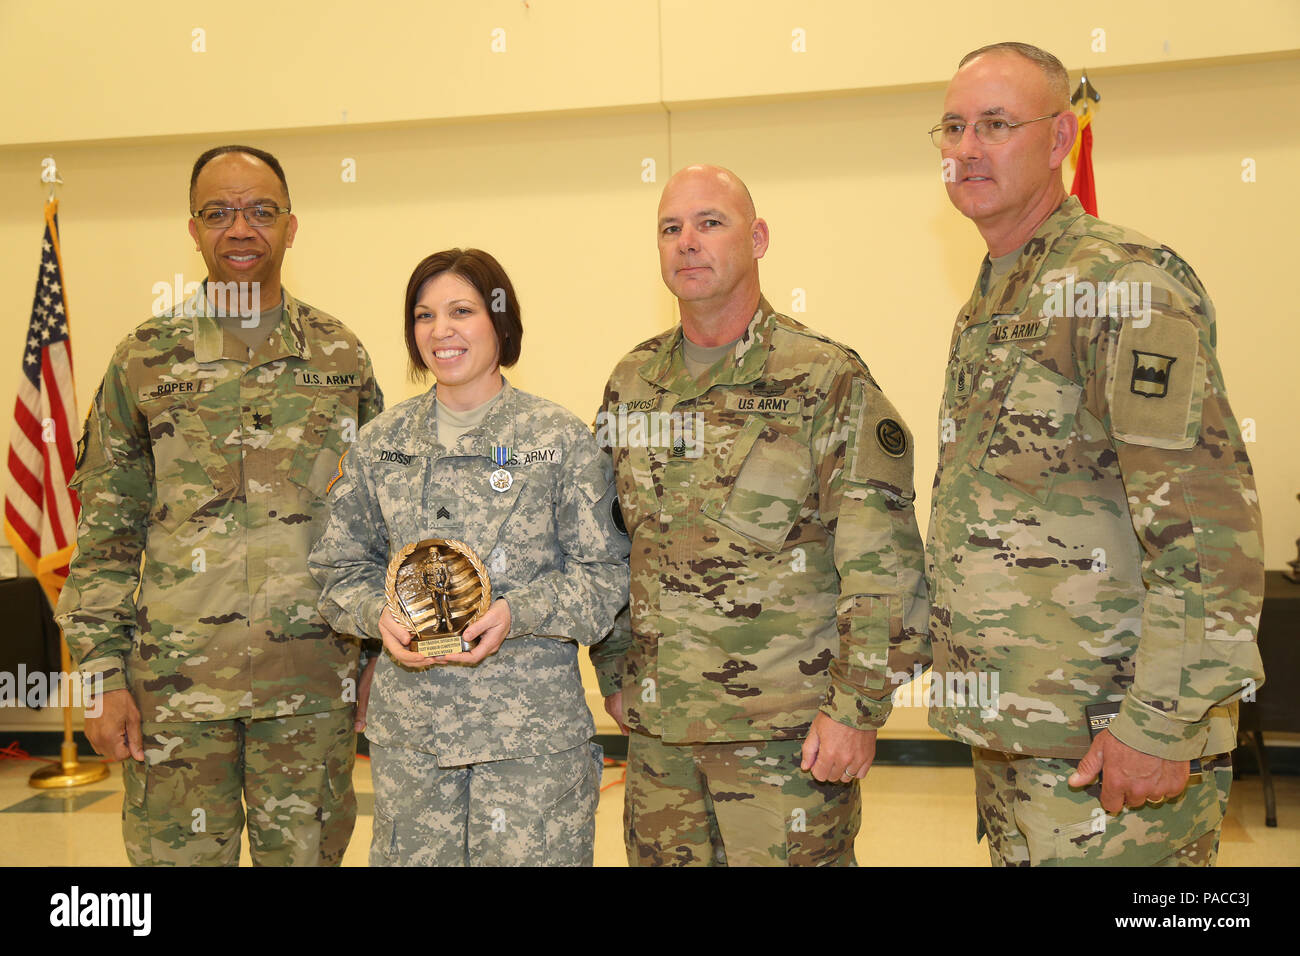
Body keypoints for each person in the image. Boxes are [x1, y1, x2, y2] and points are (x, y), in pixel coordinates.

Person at [926, 42, 1265, 865]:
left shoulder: (1120, 284)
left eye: (997, 124)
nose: (967, 147)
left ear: (1059, 142)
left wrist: (1160, 723)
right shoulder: (997, 293)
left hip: (1116, 744)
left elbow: (1207, 528)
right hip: (1025, 737)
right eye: (953, 126)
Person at [590, 165, 929, 866]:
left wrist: (857, 709)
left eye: (710, 223)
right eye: (670, 228)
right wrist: (616, 666)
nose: (688, 242)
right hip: (661, 750)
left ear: (759, 238)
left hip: (787, 745)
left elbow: (881, 562)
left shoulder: (824, 379)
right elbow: (608, 540)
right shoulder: (633, 383)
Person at [55, 145, 384, 865]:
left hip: (310, 684)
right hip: (174, 693)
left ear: (291, 227)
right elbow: (107, 534)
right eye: (220, 212)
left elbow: (375, 528)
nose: (242, 228)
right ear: (194, 229)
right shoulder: (144, 358)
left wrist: (373, 668)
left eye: (262, 211)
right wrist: (103, 678)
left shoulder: (340, 357)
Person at [308, 248, 629, 866]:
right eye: (424, 316)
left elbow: (605, 575)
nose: (440, 331)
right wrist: (380, 613)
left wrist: (517, 611)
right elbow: (337, 567)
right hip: (414, 746)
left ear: (500, 323)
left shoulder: (556, 440)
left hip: (529, 745)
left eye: (462, 310)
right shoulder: (382, 443)